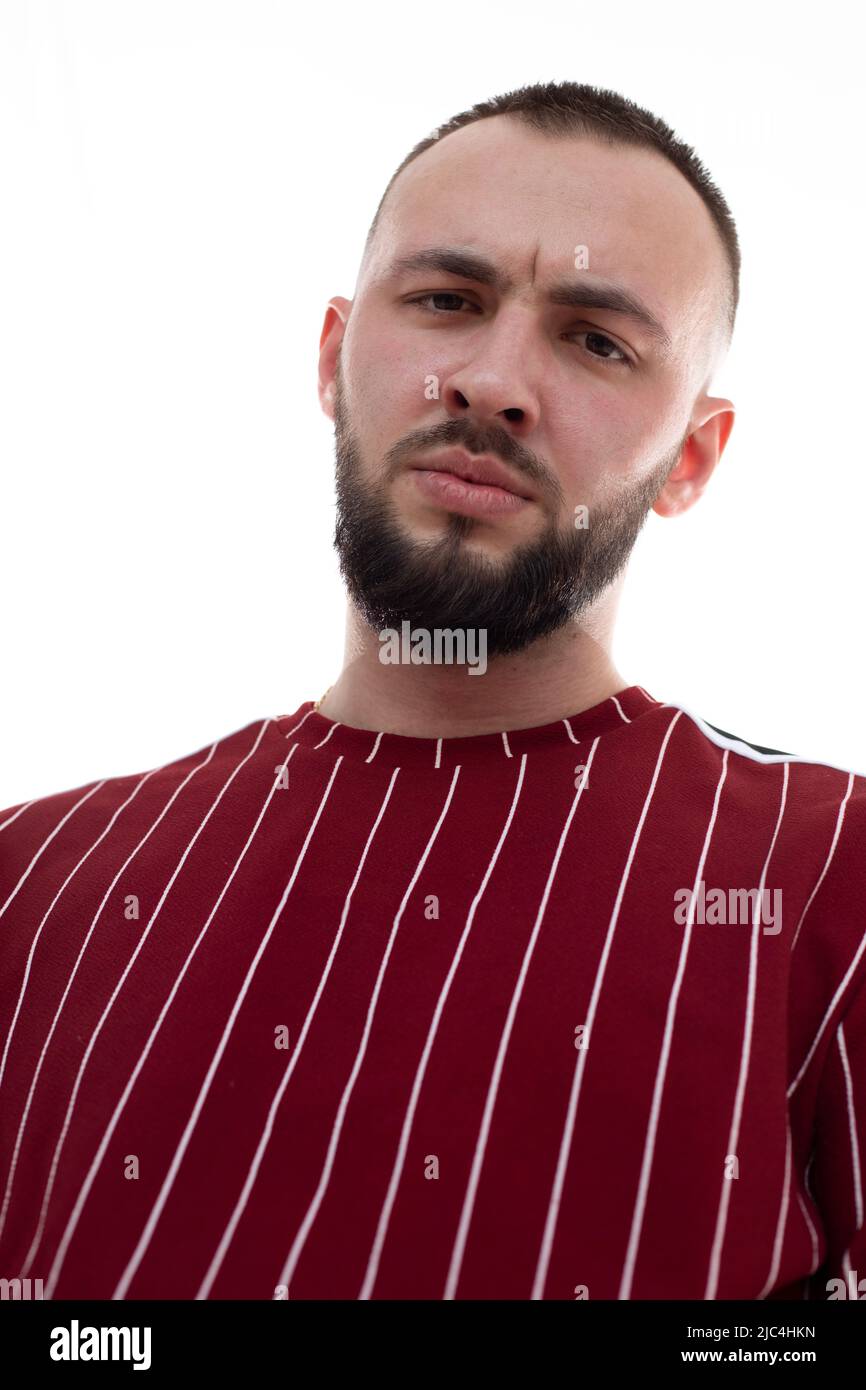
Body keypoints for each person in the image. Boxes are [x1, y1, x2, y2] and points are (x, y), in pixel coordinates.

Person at [1, 80, 864, 1302]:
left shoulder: (835, 884)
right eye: (447, 301)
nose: (491, 381)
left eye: (596, 340)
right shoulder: (28, 885)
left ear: (691, 458)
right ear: (330, 358)